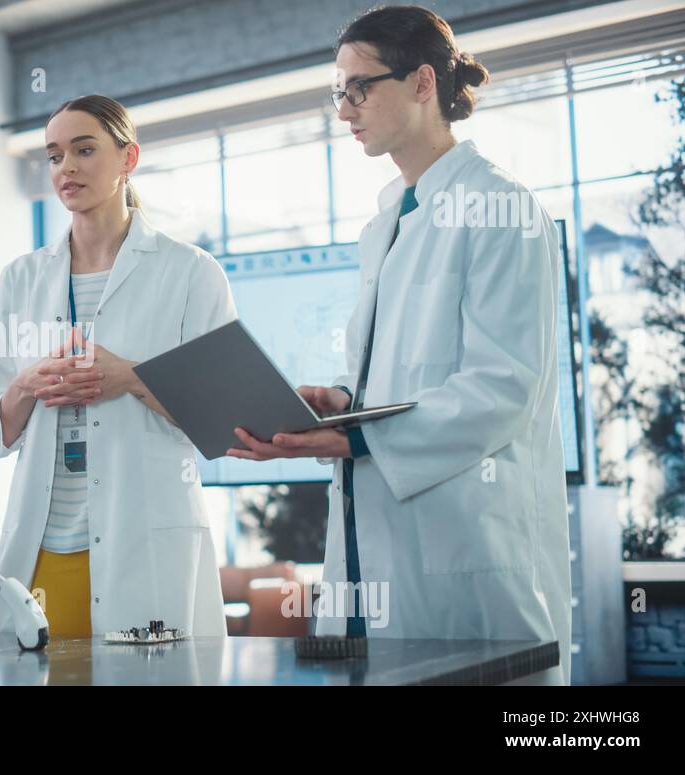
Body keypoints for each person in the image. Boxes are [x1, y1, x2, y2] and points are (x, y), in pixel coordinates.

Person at [226, 6, 572, 684]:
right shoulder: (386, 223)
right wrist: (341, 404)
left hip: (464, 556)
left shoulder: (500, 208)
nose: (344, 108)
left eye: (360, 87)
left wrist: (356, 437)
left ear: (421, 84)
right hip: (368, 548)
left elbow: (502, 387)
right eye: (338, 92)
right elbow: (401, 378)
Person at [0, 95, 237, 638]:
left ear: (128, 159)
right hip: (44, 546)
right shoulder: (20, 279)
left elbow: (224, 419)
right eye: (53, 156)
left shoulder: (191, 272)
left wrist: (131, 376)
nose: (66, 167)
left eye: (84, 149)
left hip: (145, 540)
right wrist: (27, 384)